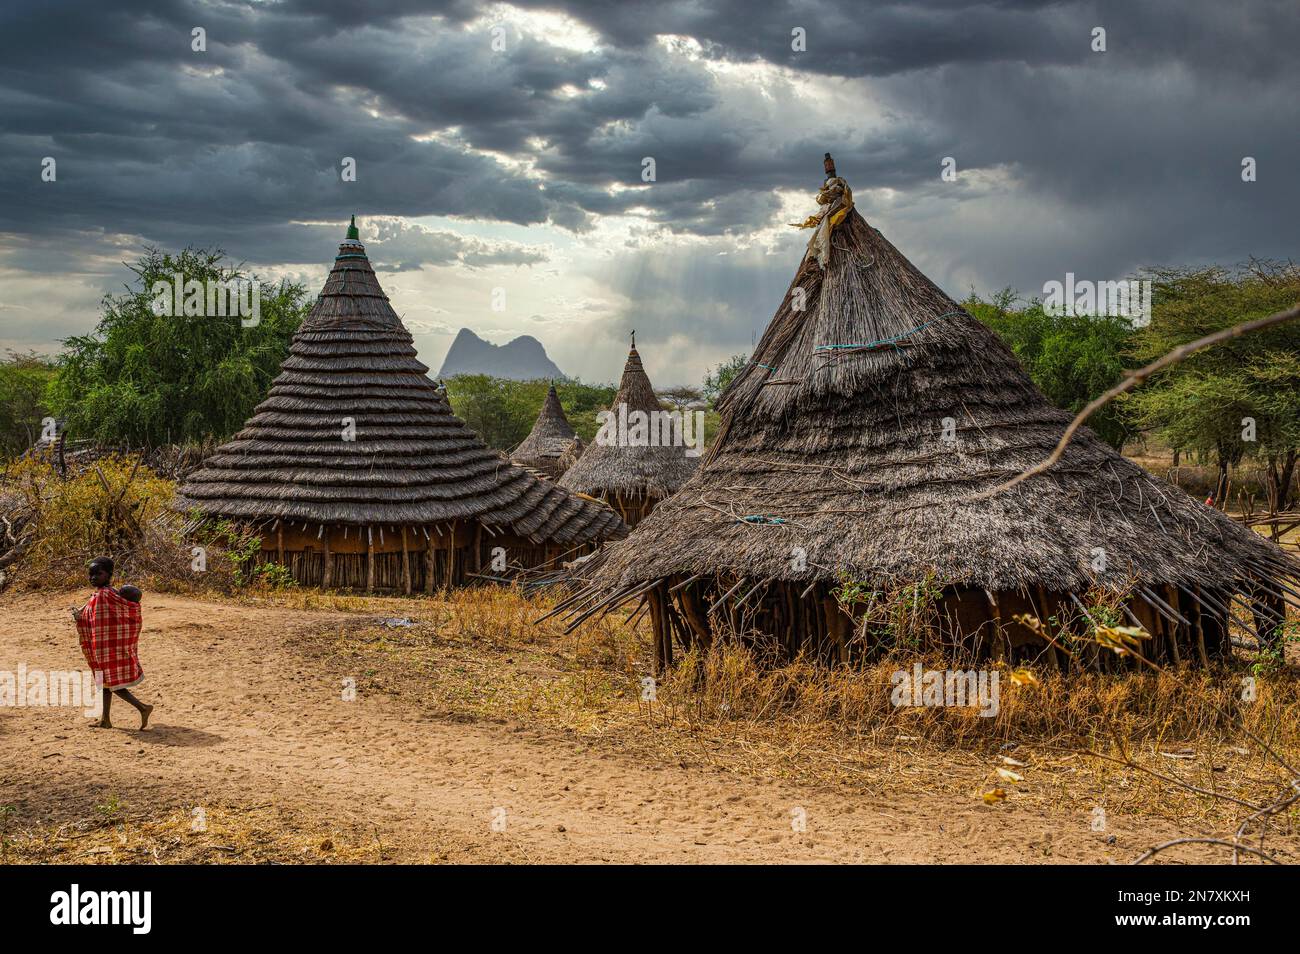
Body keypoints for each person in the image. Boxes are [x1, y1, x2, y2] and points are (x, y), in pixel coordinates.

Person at [72, 557, 153, 730]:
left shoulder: (105, 595)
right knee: (104, 684)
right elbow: (91, 615)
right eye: (91, 574)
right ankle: (105, 719)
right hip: (100, 647)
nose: (93, 577)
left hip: (107, 647)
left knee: (112, 684)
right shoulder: (102, 593)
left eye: (98, 574)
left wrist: (81, 617)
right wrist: (80, 615)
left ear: (109, 574)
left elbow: (117, 613)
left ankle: (143, 707)